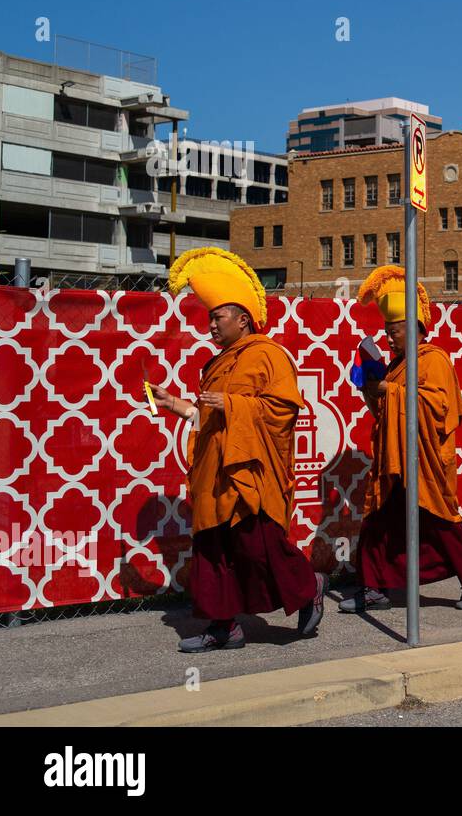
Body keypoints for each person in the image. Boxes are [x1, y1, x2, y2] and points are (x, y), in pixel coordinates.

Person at [152, 247, 325, 653]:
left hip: (250, 473)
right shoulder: (216, 363)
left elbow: (283, 411)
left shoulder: (267, 355)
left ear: (243, 319)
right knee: (213, 551)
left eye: (218, 317)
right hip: (214, 472)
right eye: (210, 317)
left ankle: (309, 586)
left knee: (257, 546)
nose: (210, 325)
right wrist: (176, 405)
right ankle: (223, 627)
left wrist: (232, 404)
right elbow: (208, 419)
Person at [339, 266, 462, 614]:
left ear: (415, 329)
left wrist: (389, 391)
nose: (389, 339)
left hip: (424, 457)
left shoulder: (433, 359)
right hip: (394, 457)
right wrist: (370, 388)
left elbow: (437, 407)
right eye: (386, 332)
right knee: (378, 519)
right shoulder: (396, 365)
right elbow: (386, 411)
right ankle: (373, 588)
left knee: (438, 519)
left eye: (394, 331)